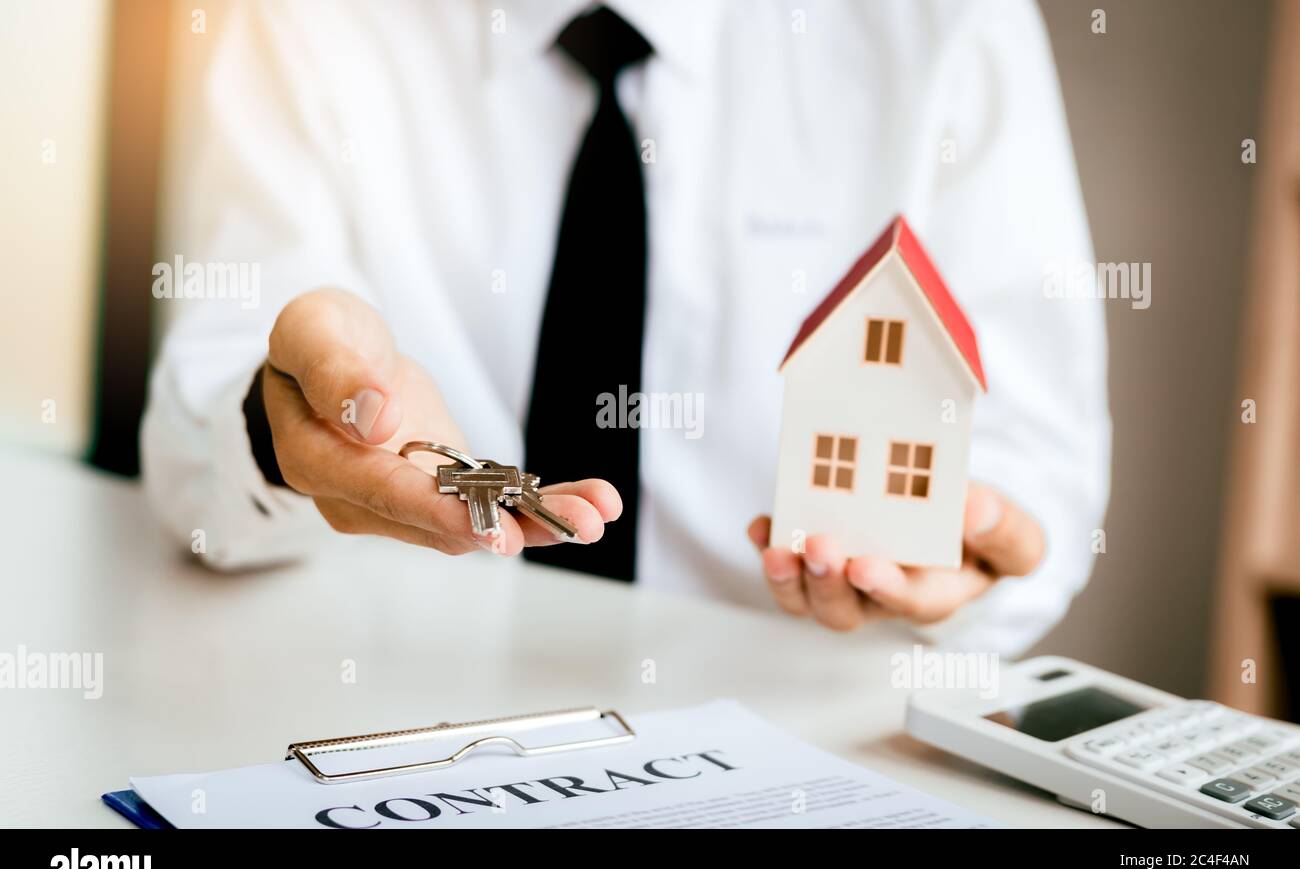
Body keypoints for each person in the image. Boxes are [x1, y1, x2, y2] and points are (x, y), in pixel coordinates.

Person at [142, 0, 1109, 655]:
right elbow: (196, 457)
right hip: (392, 697)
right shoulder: (307, 21)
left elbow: (1037, 478)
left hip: (801, 729)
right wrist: (286, 440)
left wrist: (967, 570)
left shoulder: (947, 25)